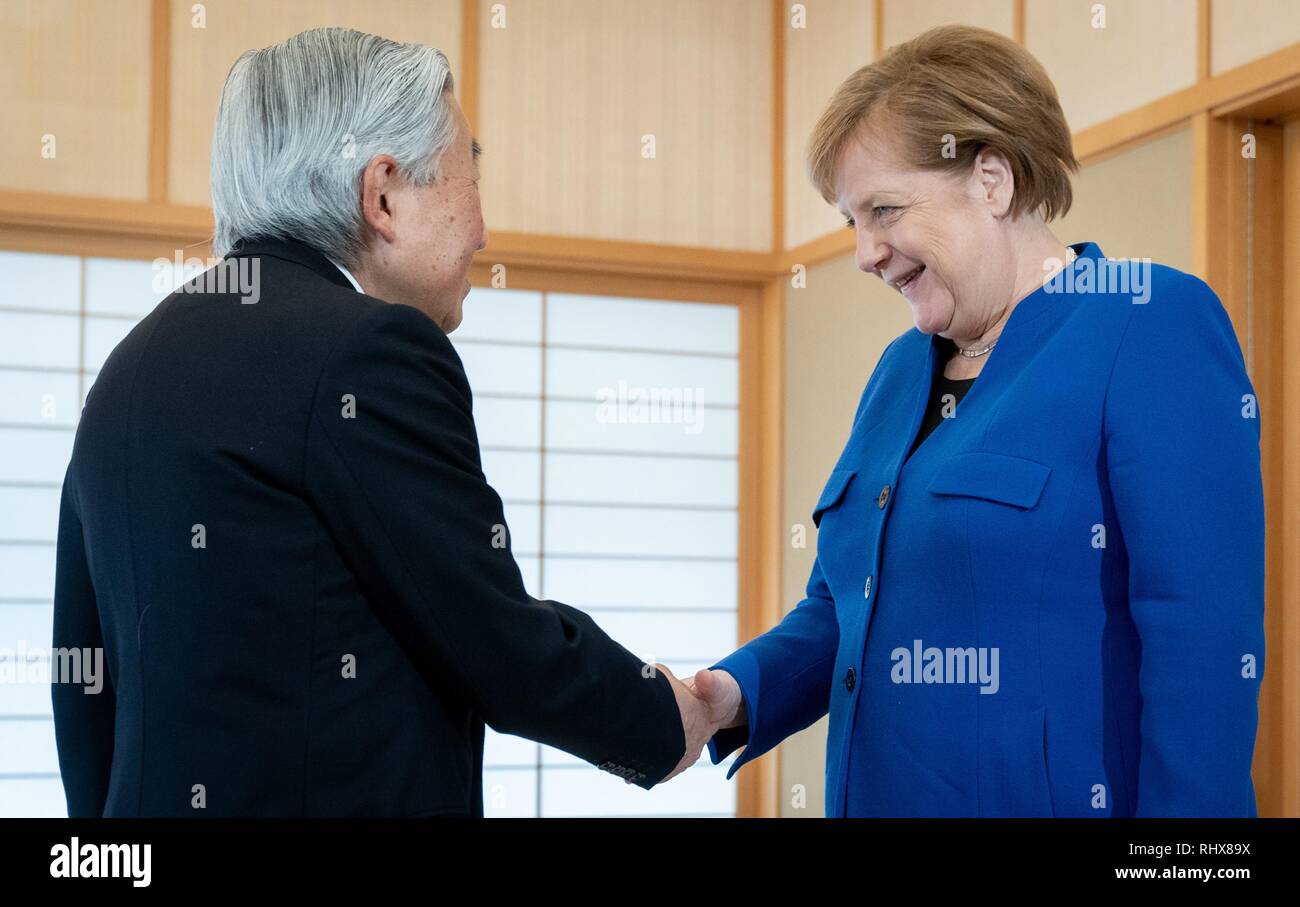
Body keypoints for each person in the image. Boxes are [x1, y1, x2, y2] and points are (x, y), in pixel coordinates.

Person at [51, 27, 718, 817]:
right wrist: (667, 718)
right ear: (384, 194)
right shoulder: (366, 349)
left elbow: (81, 676)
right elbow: (492, 638)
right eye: (471, 172)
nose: (482, 229)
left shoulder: (131, 364)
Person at [685, 25, 1265, 817]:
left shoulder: (1149, 322)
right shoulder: (898, 371)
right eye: (853, 220)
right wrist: (733, 695)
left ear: (991, 178)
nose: (863, 252)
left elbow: (1201, 647)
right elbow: (844, 606)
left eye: (884, 209)